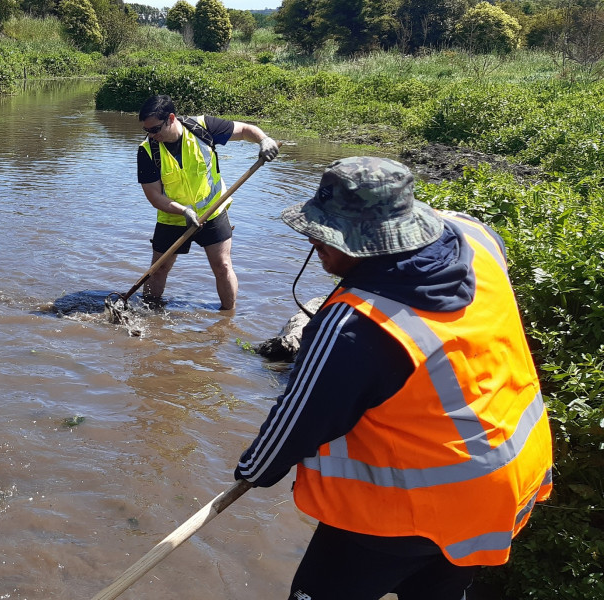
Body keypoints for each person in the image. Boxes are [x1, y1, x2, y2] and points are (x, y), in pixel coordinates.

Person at [234, 157, 554, 599]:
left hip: (413, 503)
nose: (312, 239)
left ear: (371, 240)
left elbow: (296, 425)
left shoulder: (355, 323)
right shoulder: (476, 235)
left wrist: (253, 470)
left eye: (328, 232)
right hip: (505, 483)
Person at [136, 94, 280, 311]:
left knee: (222, 266)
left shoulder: (202, 127)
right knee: (158, 269)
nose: (151, 135)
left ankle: (228, 318)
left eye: (155, 129)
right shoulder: (147, 151)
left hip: (213, 212)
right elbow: (154, 196)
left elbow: (243, 130)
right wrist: (183, 211)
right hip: (173, 217)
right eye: (147, 130)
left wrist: (263, 139)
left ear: (171, 118)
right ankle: (147, 312)